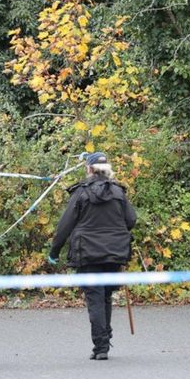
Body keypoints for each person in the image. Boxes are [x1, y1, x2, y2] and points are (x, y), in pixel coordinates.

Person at [48, 151, 136, 361]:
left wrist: (54, 251)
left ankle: (101, 345)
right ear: (108, 170)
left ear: (89, 169)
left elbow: (65, 225)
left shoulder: (81, 193)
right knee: (105, 296)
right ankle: (103, 336)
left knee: (95, 298)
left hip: (87, 253)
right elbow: (131, 220)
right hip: (114, 253)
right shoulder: (118, 192)